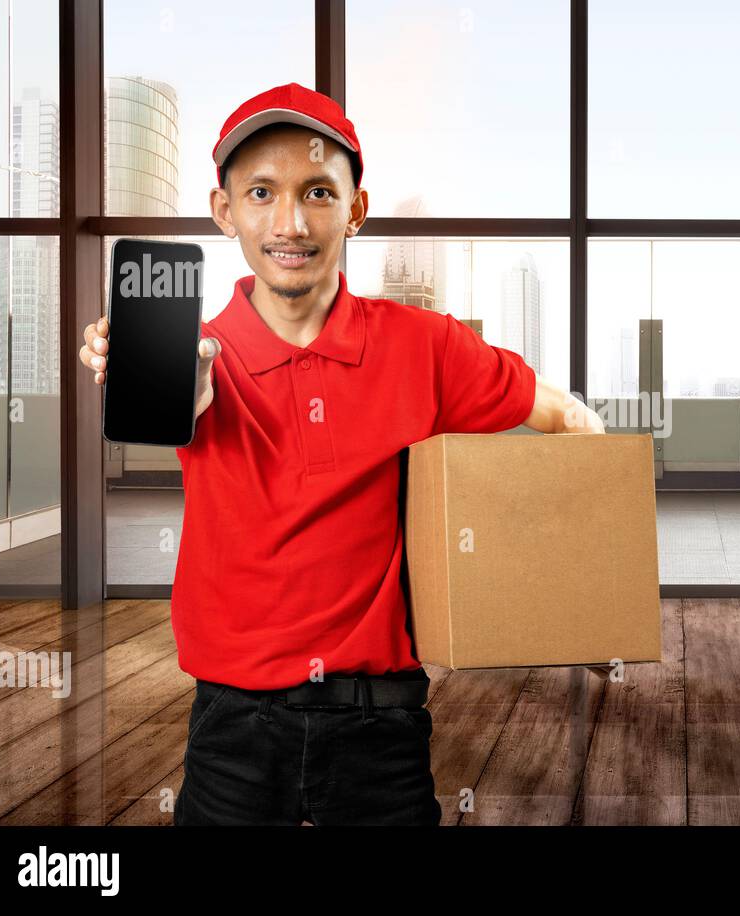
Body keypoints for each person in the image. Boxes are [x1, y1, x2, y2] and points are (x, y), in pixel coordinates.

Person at [78, 83, 605, 826]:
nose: (290, 222)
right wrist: (146, 369)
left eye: (318, 191)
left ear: (355, 210)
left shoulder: (426, 347)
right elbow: (186, 400)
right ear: (224, 210)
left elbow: (567, 417)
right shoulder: (194, 357)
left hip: (379, 734)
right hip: (231, 737)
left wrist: (586, 588)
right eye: (261, 192)